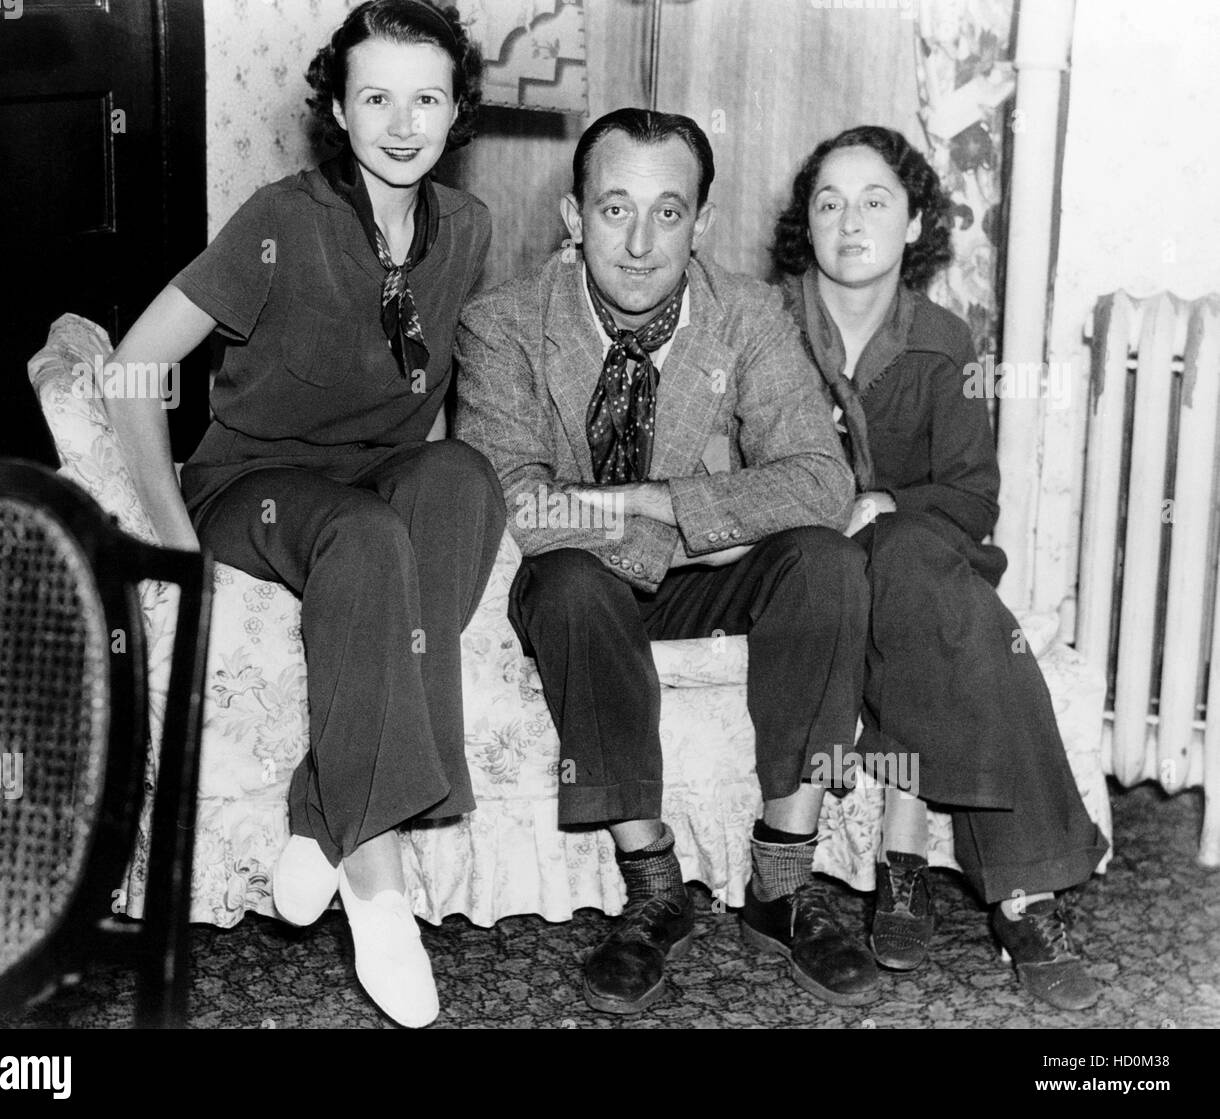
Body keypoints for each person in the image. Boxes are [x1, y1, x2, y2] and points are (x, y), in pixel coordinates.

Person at [103, 0, 505, 1028]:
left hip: (384, 473)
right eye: (376, 97)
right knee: (366, 538)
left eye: (427, 97)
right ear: (336, 105)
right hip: (253, 485)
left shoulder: (467, 229)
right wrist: (172, 535)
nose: (402, 123)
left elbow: (452, 399)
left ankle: (320, 807)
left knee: (462, 482)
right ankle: (377, 893)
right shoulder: (280, 219)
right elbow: (135, 368)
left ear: (458, 110)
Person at [456, 108, 882, 1014]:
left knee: (825, 562)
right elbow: (523, 501)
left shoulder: (750, 312)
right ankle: (654, 889)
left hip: (702, 576)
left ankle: (782, 882)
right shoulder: (501, 323)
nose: (641, 244)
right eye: (614, 210)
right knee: (570, 583)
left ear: (704, 224)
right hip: (586, 579)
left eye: (668, 213)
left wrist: (659, 503)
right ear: (573, 217)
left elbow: (819, 479)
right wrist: (710, 522)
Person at [772, 125, 1110, 1011]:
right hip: (798, 558)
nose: (850, 222)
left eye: (876, 200)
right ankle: (1008, 891)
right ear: (805, 222)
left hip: (914, 551)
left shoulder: (947, 340)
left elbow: (971, 500)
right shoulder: (760, 326)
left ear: (915, 218)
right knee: (923, 583)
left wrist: (885, 505)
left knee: (918, 559)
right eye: (829, 201)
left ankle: (913, 860)